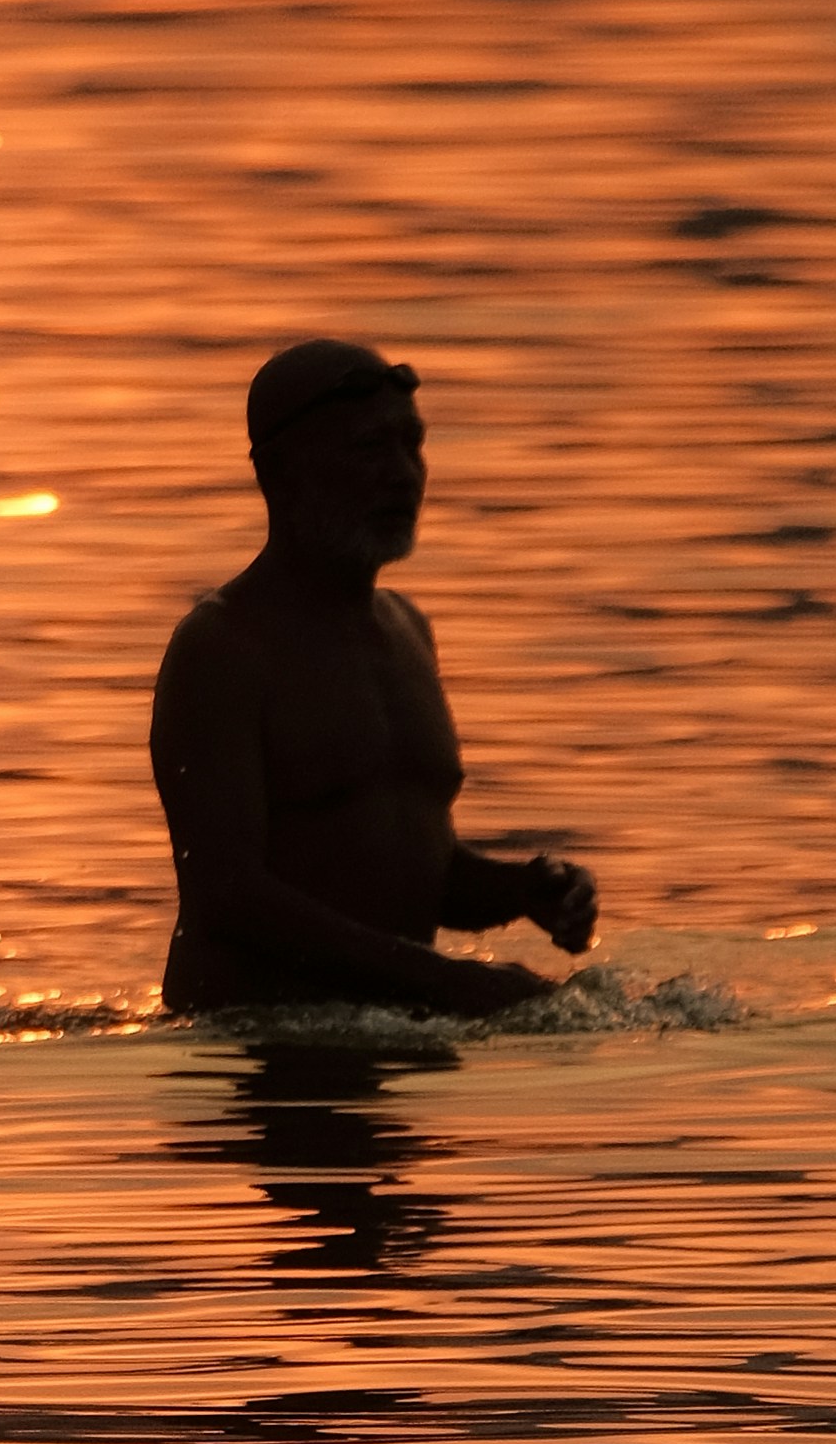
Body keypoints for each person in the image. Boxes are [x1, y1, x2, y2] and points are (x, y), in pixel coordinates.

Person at [150, 338, 598, 1020]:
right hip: (252, 1055)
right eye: (369, 449)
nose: (403, 475)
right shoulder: (221, 647)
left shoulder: (408, 630)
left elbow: (409, 863)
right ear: (284, 474)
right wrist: (445, 982)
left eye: (412, 446)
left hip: (383, 1039)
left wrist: (521, 892)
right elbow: (229, 896)